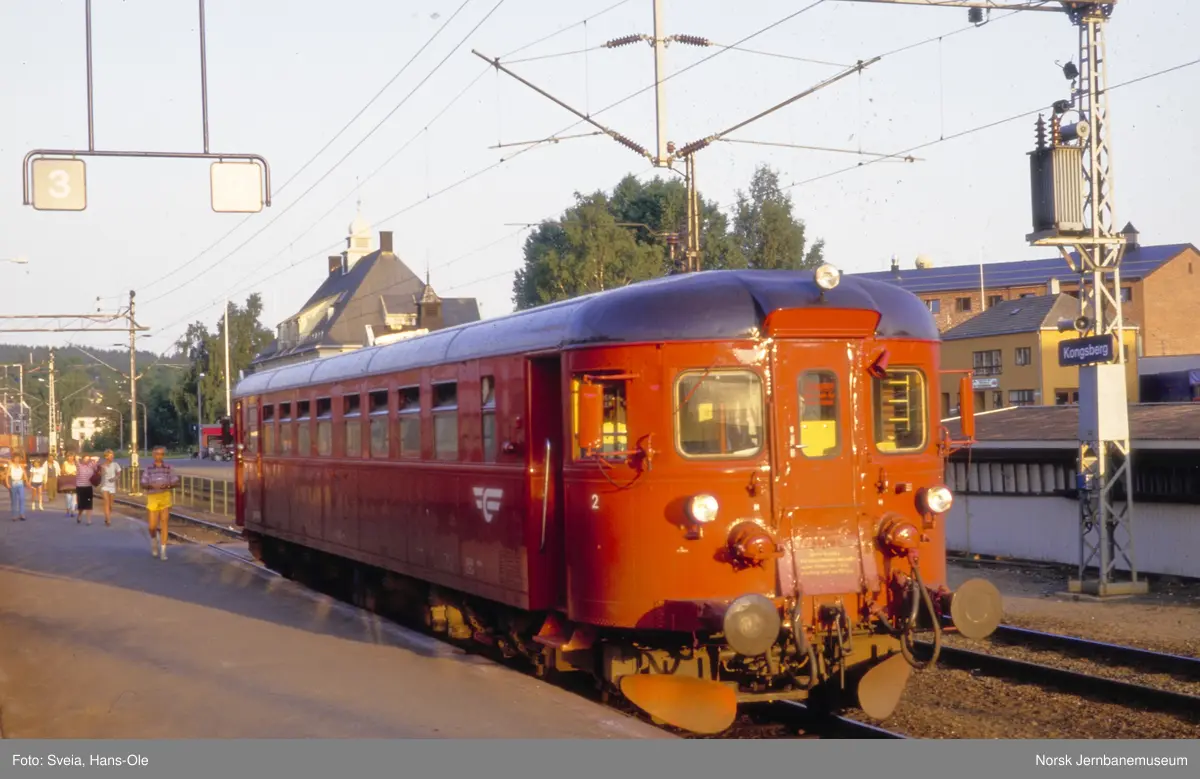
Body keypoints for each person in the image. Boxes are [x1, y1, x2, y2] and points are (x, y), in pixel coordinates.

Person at [141, 446, 180, 560]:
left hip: (165, 496)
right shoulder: (148, 469)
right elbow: (143, 483)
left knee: (164, 522)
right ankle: (154, 540)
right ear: (153, 455)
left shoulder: (168, 468)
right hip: (153, 496)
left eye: (161, 454)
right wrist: (150, 485)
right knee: (152, 526)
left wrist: (167, 485)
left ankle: (163, 550)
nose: (159, 456)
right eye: (157, 454)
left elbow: (175, 481)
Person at [98, 449, 122, 527]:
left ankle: (107, 516)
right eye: (110, 456)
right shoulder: (103, 465)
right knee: (106, 502)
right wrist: (102, 470)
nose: (112, 457)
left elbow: (118, 474)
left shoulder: (115, 464)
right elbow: (101, 474)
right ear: (106, 457)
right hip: (105, 486)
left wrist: (114, 478)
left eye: (112, 455)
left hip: (112, 486)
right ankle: (108, 519)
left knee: (111, 505)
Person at [75, 452, 99, 526]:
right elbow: (76, 457)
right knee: (81, 505)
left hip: (88, 487)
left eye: (87, 459)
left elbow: (97, 458)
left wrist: (90, 458)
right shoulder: (79, 465)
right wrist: (81, 458)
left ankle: (89, 520)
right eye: (85, 459)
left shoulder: (91, 465)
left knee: (88, 504)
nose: (86, 460)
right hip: (80, 487)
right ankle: (79, 515)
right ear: (82, 459)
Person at [5, 453, 29, 521]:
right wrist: (7, 483)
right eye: (16, 458)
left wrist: (27, 482)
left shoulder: (21, 466)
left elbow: (25, 474)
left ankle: (22, 514)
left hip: (20, 483)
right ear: (14, 459)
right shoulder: (11, 466)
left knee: (21, 498)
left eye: (18, 458)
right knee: (14, 500)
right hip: (13, 483)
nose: (17, 459)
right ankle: (14, 515)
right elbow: (7, 475)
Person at [60, 453, 78, 517]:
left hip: (74, 481)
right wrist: (66, 473)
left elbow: (79, 471)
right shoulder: (65, 463)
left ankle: (72, 511)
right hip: (67, 481)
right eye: (69, 456)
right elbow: (61, 472)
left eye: (72, 456)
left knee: (74, 497)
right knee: (68, 497)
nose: (70, 458)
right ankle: (68, 510)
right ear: (67, 457)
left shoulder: (76, 463)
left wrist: (75, 473)